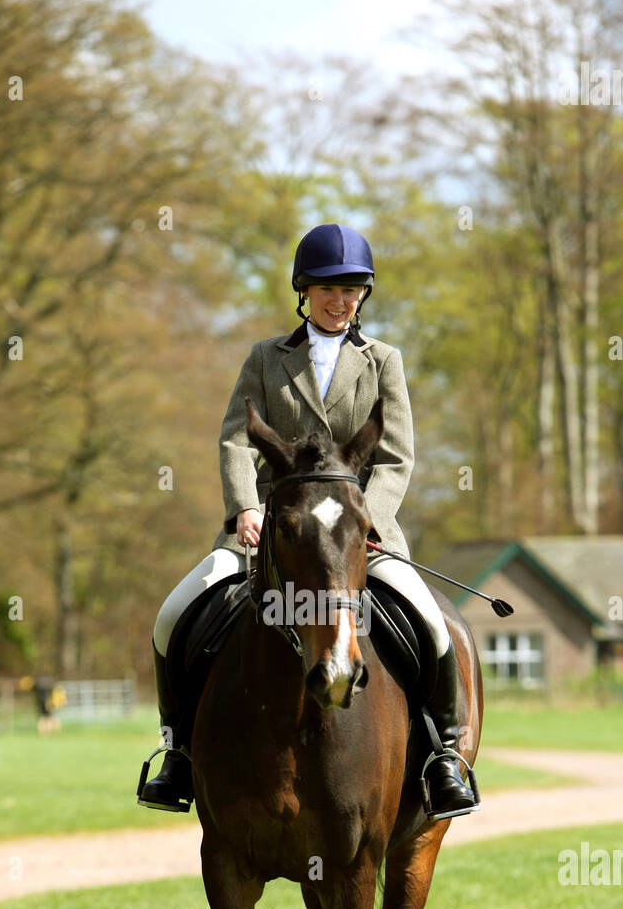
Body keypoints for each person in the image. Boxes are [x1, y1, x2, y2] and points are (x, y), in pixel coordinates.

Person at [138, 223, 475, 819]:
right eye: (328, 289)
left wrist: (369, 521)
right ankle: (178, 754)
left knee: (434, 623)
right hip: (268, 530)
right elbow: (236, 440)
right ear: (304, 291)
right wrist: (244, 505)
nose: (340, 301)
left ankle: (445, 755)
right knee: (172, 616)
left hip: (355, 535)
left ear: (363, 296)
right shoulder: (266, 358)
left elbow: (395, 457)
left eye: (352, 291)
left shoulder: (384, 362)